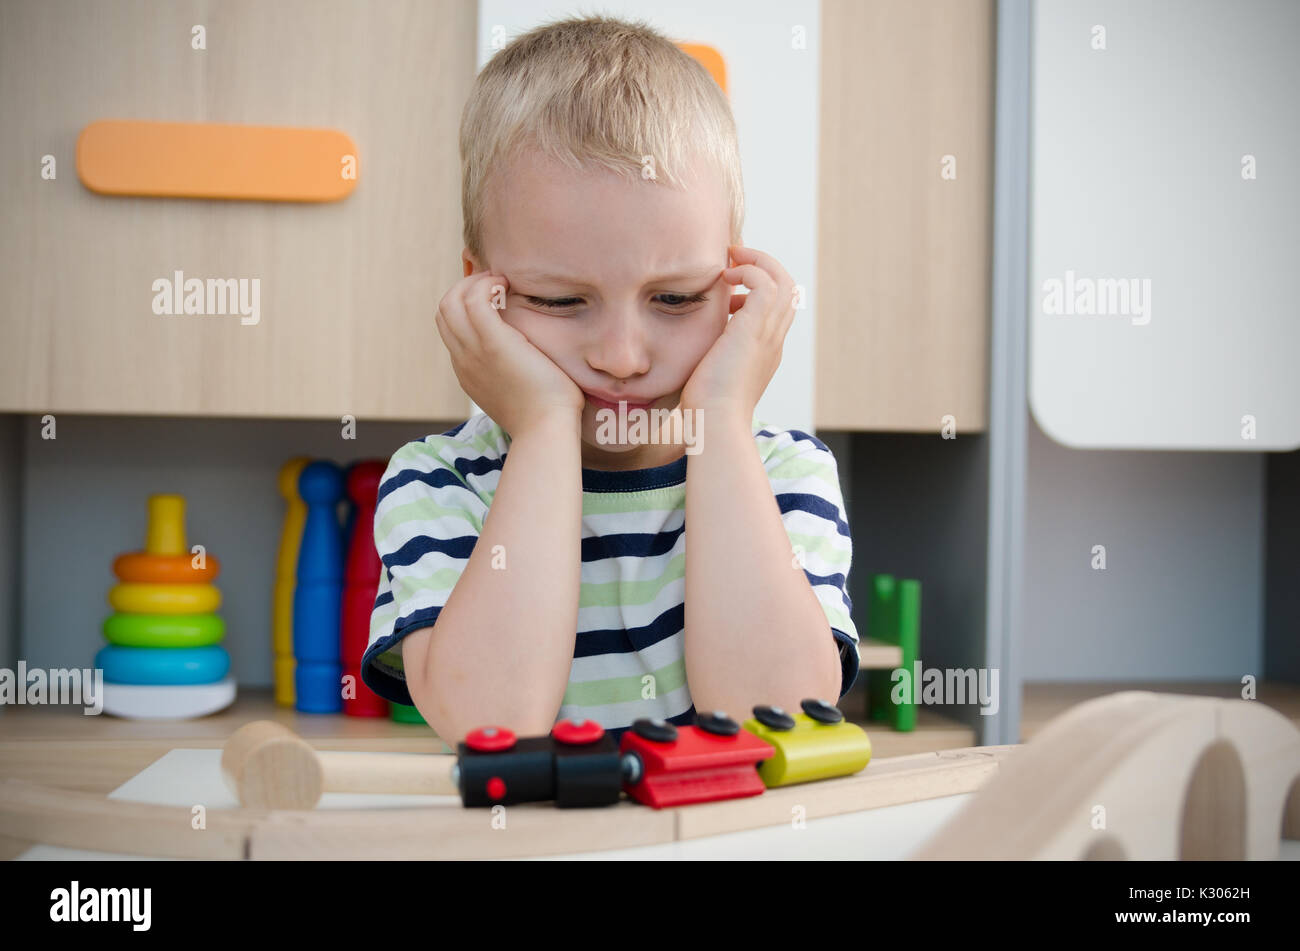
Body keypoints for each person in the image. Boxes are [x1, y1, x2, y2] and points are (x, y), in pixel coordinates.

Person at [361, 14, 859, 745]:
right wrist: (541, 429)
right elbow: (492, 723)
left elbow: (773, 718)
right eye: (561, 301)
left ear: (734, 290)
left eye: (676, 298)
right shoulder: (438, 485)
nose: (622, 357)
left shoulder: (785, 475)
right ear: (481, 293)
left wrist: (717, 418)